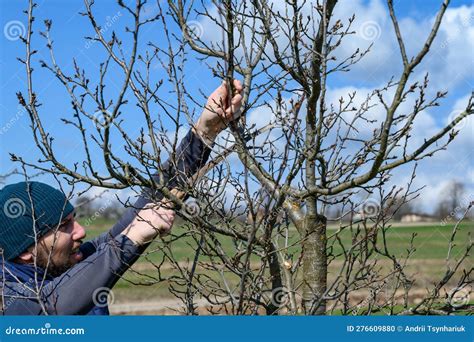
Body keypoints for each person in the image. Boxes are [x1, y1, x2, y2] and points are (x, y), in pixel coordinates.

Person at [0, 80, 243, 315]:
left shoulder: (68, 264)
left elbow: (151, 202)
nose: (81, 232)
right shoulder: (8, 296)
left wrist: (204, 131)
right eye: (64, 226)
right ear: (25, 251)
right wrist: (130, 239)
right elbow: (48, 309)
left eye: (74, 219)